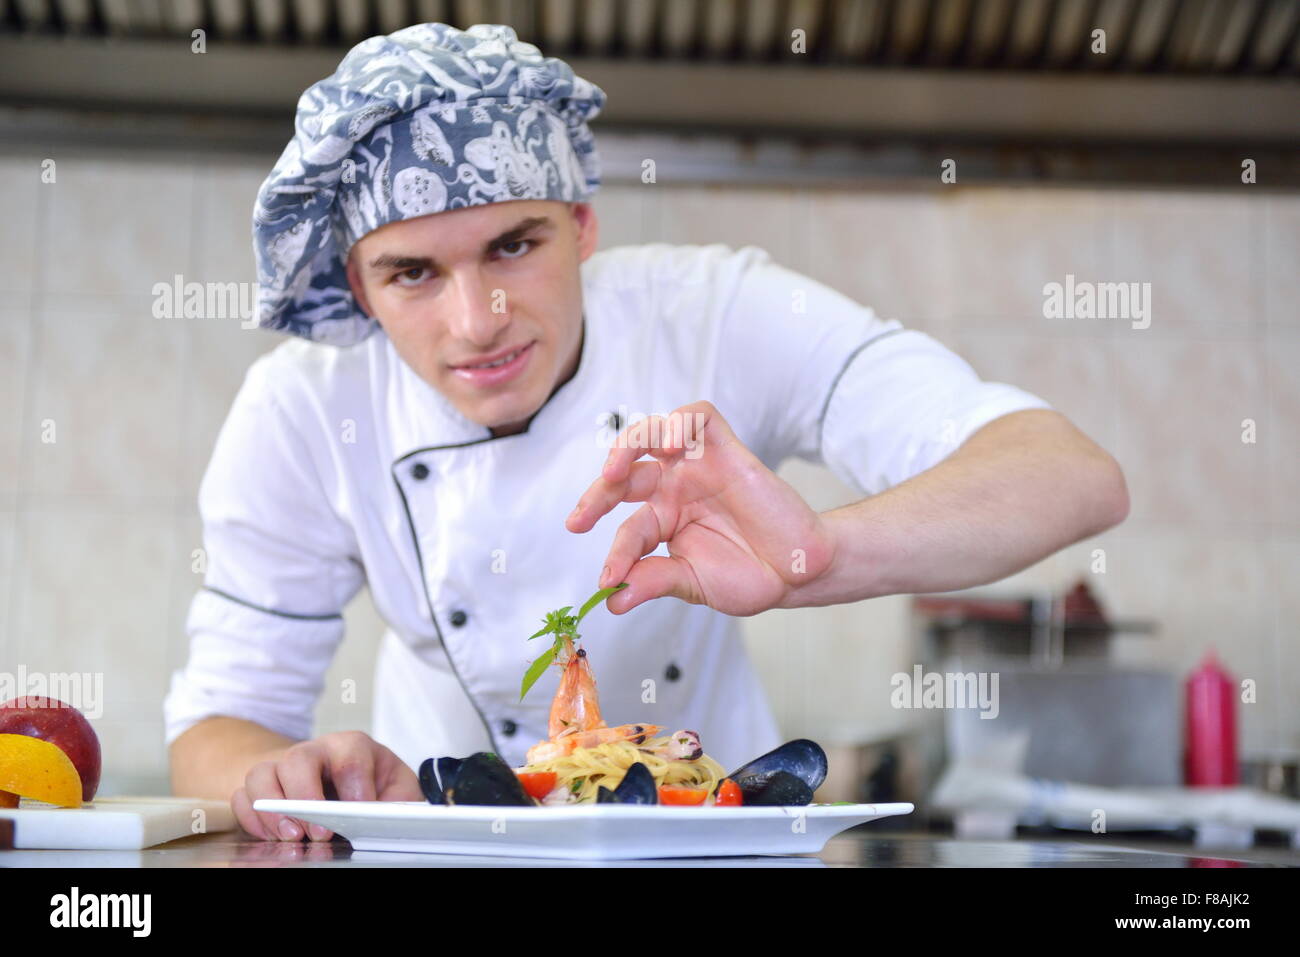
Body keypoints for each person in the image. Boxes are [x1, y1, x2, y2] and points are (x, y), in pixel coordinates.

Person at [165, 23, 1128, 842]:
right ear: (359, 287)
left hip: (717, 854)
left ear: (583, 225)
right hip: (448, 857)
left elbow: (1070, 475)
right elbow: (215, 726)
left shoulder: (711, 312)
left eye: (514, 245)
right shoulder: (304, 410)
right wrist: (289, 773)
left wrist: (819, 550)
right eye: (412, 272)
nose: (477, 321)